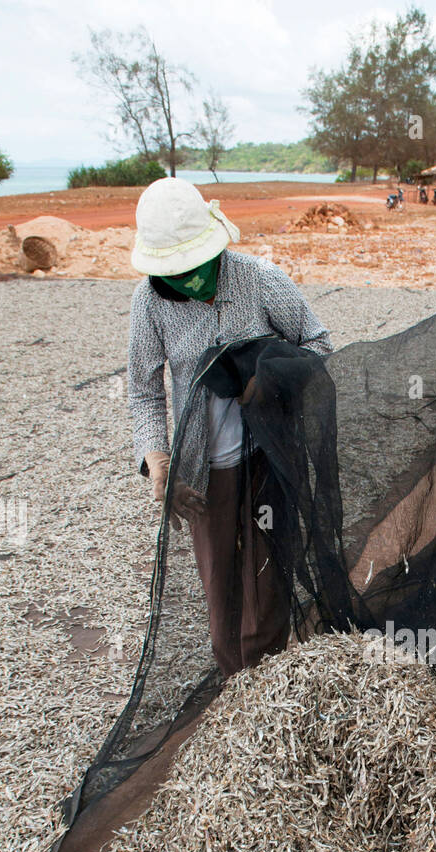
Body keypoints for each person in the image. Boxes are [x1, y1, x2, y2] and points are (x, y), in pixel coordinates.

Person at [127, 178, 332, 678]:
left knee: (265, 575)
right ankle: (233, 682)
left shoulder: (259, 279)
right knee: (219, 580)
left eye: (199, 268)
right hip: (203, 468)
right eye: (179, 274)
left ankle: (268, 680)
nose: (193, 282)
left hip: (268, 458)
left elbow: (320, 346)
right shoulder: (150, 304)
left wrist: (271, 377)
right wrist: (156, 458)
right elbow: (144, 390)